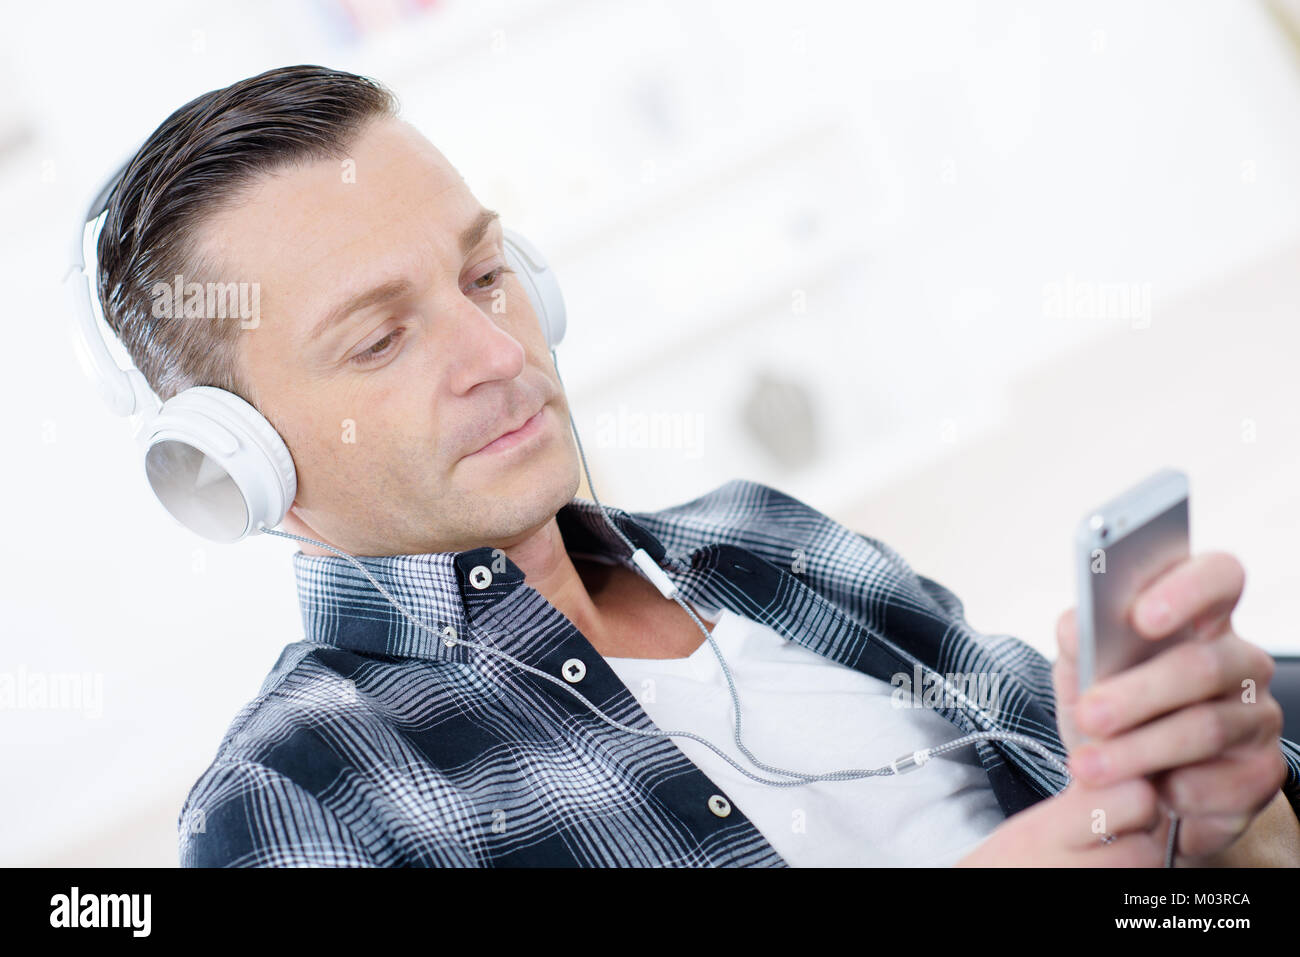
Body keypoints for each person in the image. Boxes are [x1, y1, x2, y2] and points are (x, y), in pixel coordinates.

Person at [88, 65, 1300, 866]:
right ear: (226, 466)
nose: (497, 351)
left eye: (485, 272)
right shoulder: (297, 804)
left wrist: (1214, 816)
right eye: (379, 338)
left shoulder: (764, 542)